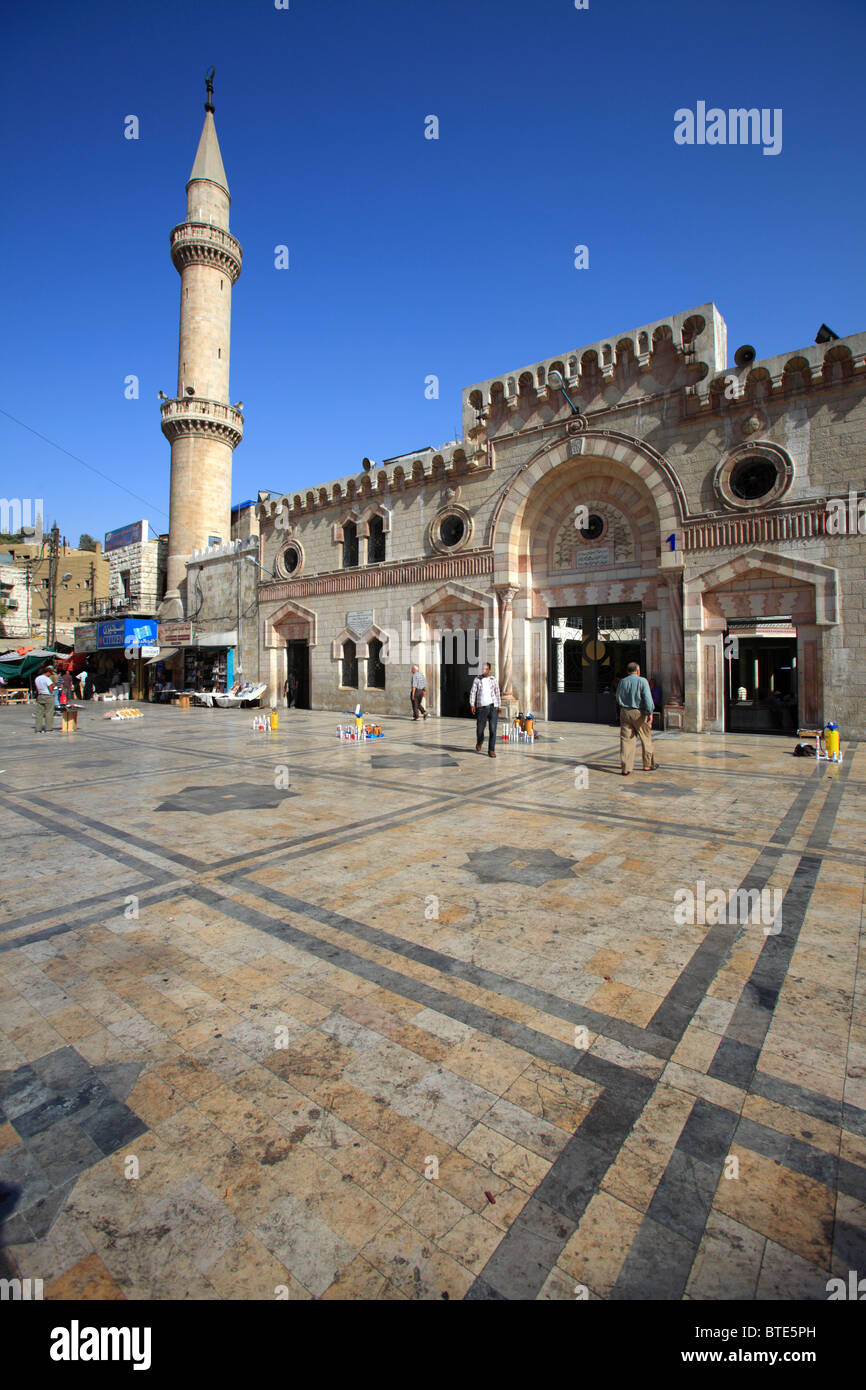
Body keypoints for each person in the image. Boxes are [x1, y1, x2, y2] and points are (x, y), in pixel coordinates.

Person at [616, 660, 658, 776]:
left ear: (628, 671)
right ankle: (648, 764)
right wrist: (650, 713)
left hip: (624, 711)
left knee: (626, 740)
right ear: (638, 671)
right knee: (645, 737)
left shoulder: (622, 682)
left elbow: (618, 696)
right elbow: (648, 699)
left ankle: (626, 767)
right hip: (639, 712)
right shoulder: (642, 681)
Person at [470, 662, 501, 757]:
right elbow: (473, 692)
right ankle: (480, 741)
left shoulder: (493, 679)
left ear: (489, 670)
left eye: (486, 669)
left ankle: (491, 750)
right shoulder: (477, 679)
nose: (484, 671)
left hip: (493, 707)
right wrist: (472, 705)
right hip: (481, 708)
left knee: (493, 729)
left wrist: (499, 705)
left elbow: (497, 692)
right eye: (483, 669)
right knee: (480, 729)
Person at [34, 665, 56, 733]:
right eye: (50, 673)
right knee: (49, 712)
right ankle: (48, 729)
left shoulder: (37, 678)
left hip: (40, 695)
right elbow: (50, 688)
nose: (50, 675)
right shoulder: (46, 679)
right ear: (47, 672)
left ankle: (38, 729)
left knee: (39, 713)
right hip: (48, 696)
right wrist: (53, 688)